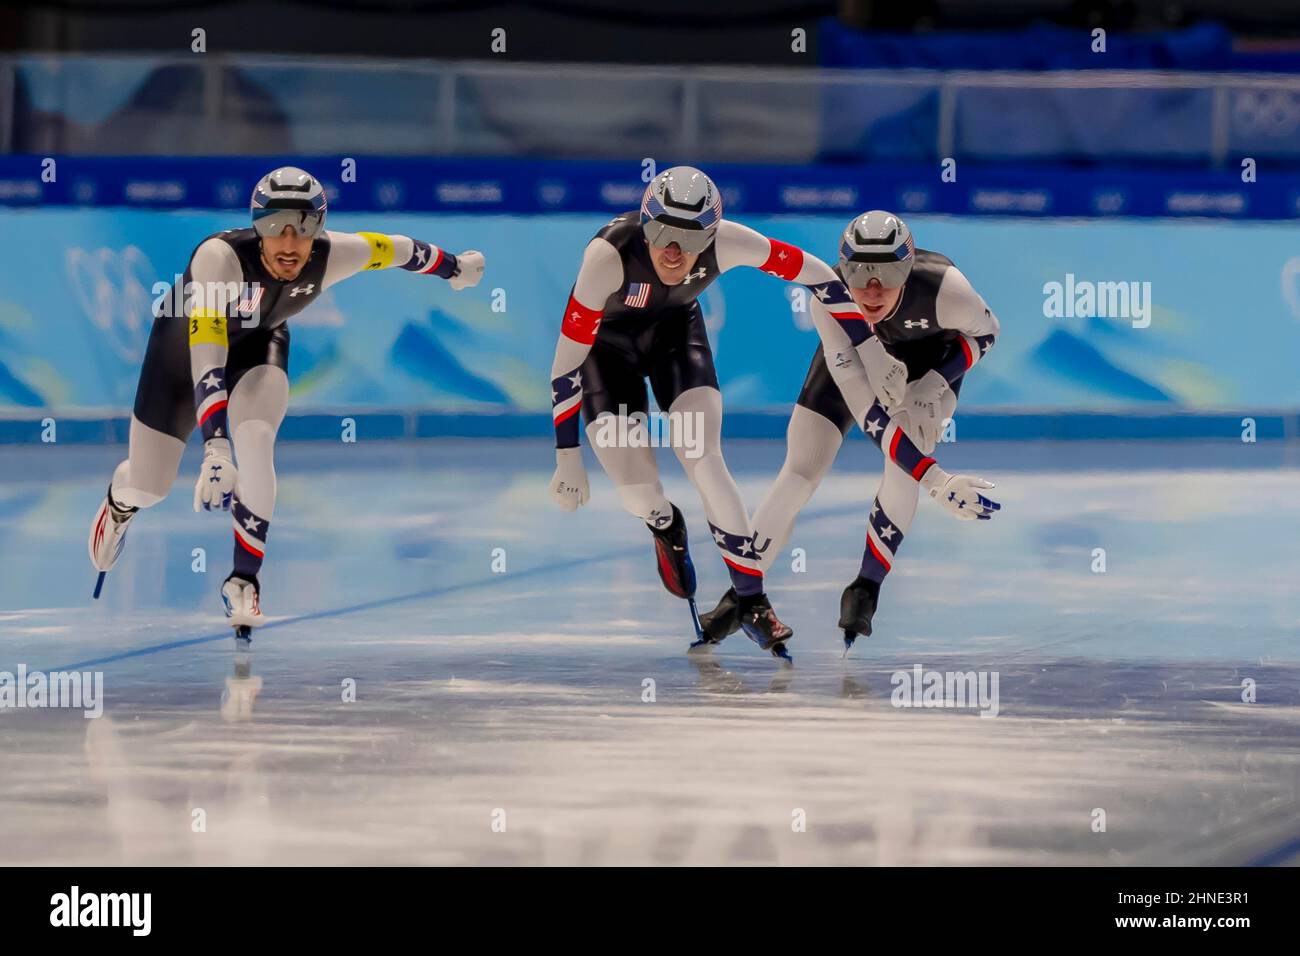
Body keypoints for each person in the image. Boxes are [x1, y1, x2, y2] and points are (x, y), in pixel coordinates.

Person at [88, 166, 485, 635]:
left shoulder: (335, 253)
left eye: (305, 226)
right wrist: (215, 447)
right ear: (256, 227)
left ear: (320, 227)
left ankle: (243, 581)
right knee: (150, 486)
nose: (290, 243)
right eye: (275, 226)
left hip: (260, 345)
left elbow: (398, 249)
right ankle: (120, 500)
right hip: (182, 361)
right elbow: (208, 355)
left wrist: (454, 267)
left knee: (255, 438)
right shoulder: (220, 259)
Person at [546, 166, 909, 660]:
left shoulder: (732, 243)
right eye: (661, 233)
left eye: (689, 237)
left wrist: (870, 351)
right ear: (644, 223)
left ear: (713, 235)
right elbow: (566, 365)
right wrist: (568, 457)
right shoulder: (606, 257)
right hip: (605, 358)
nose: (672, 251)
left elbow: (822, 276)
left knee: (703, 458)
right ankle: (663, 525)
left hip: (675, 339)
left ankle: (752, 601)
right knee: (639, 494)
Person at [697, 210, 1001, 649]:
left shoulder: (946, 290)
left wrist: (936, 380)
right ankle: (742, 597)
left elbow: (987, 332)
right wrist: (937, 481)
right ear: (843, 270)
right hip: (856, 361)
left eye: (888, 273)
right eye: (859, 273)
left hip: (930, 364)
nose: (873, 289)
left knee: (907, 450)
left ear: (909, 267)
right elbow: (869, 415)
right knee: (801, 468)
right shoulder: (829, 298)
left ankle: (866, 588)